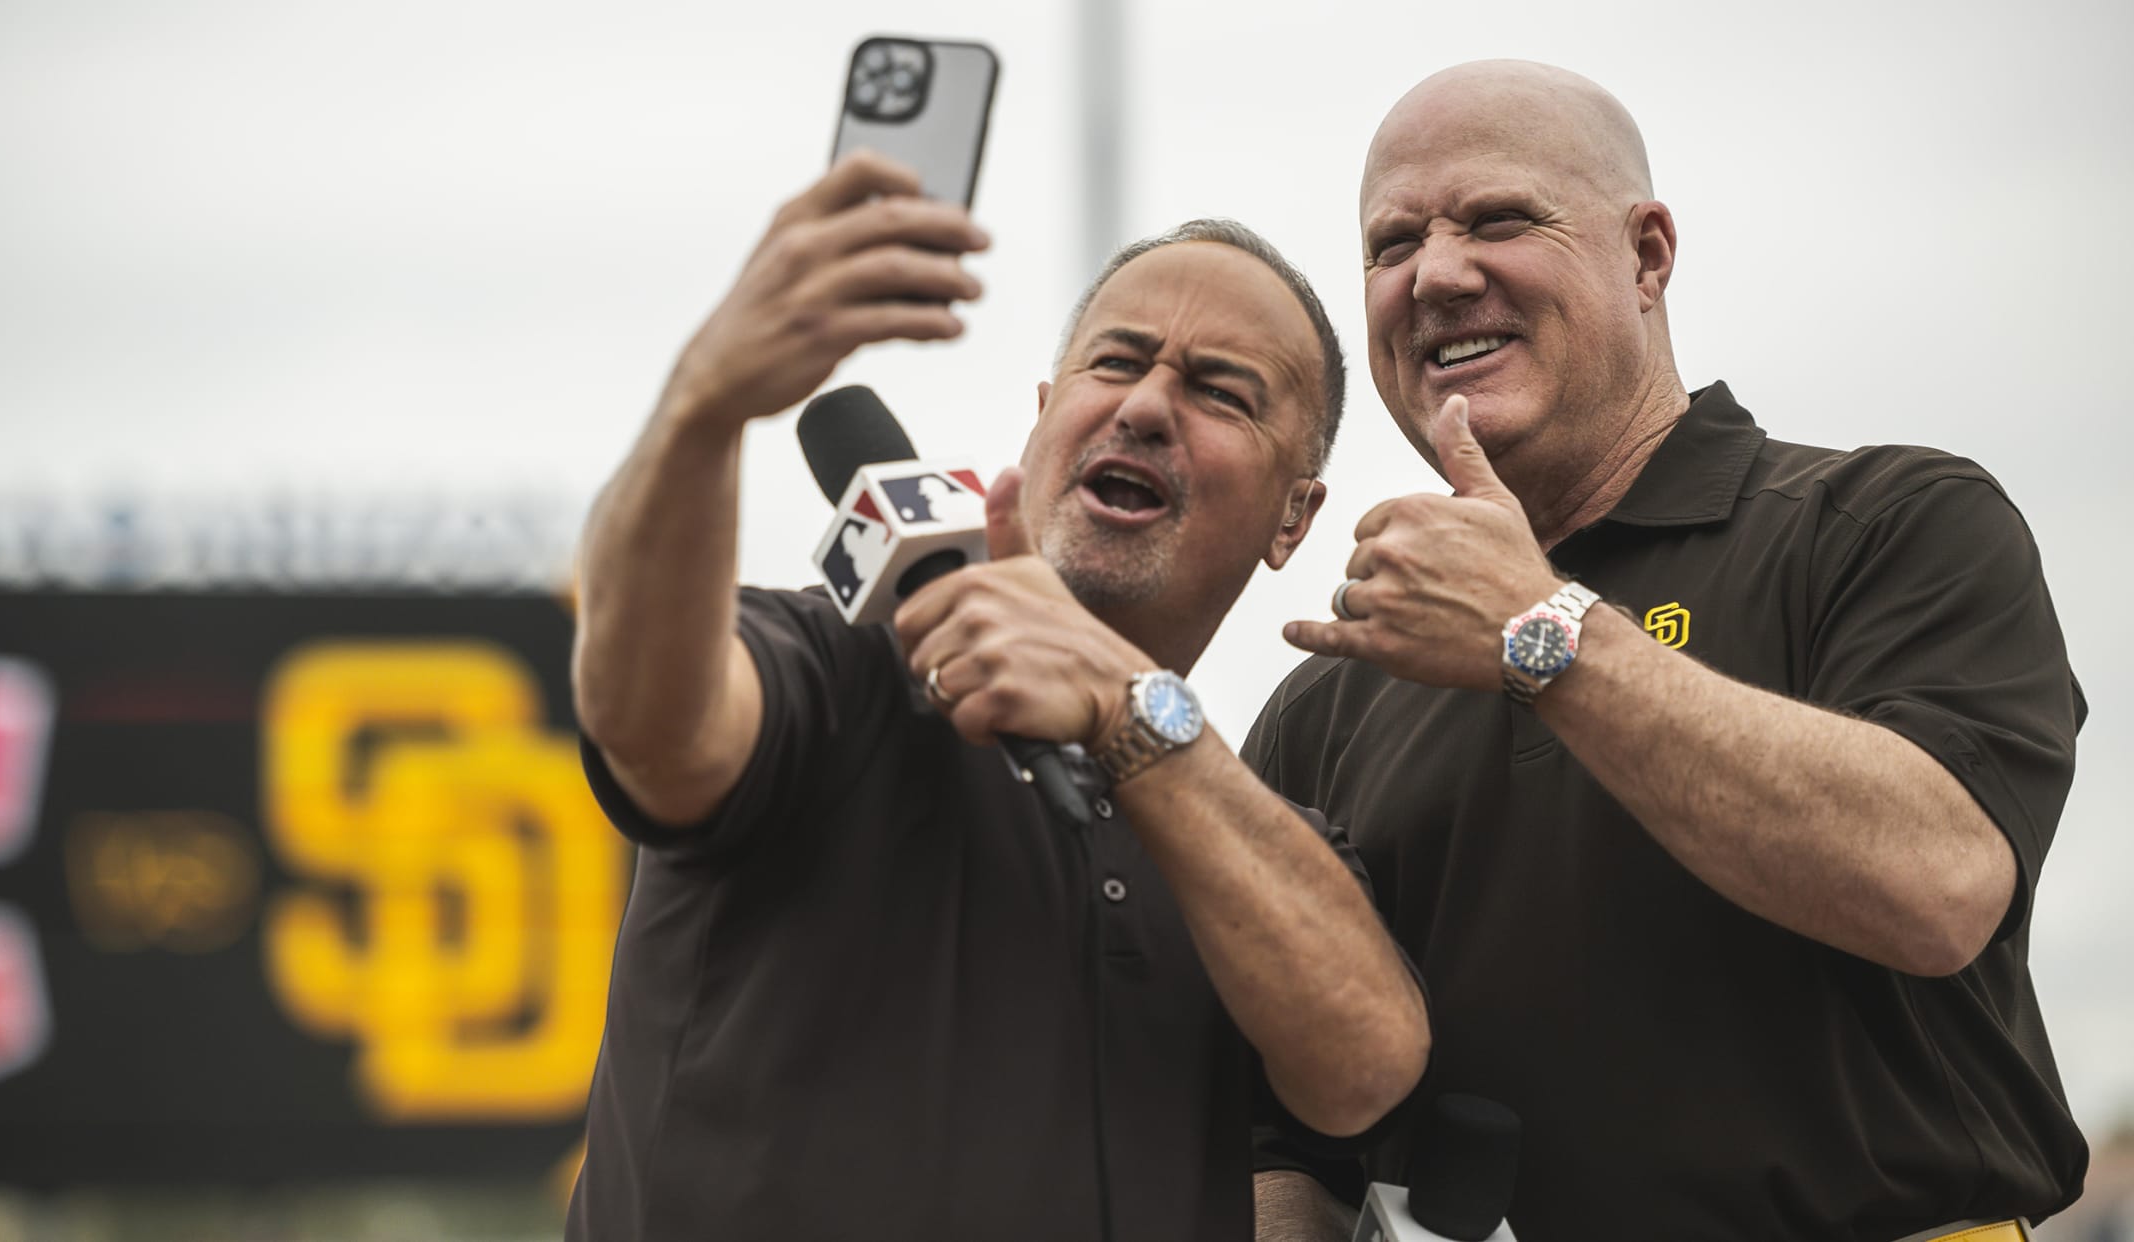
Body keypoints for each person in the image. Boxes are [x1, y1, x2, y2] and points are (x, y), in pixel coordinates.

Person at [1245, 61, 2086, 1241]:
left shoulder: (1890, 522)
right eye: (1392, 246)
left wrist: (1544, 631)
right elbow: (1288, 1138)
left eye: (1497, 219)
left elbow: (1938, 885)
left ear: (1646, 257)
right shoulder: (1325, 704)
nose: (1436, 274)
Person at [566, 149, 1429, 1242]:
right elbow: (649, 719)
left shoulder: (1259, 840)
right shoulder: (839, 673)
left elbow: (1367, 1066)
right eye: (1114, 364)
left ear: (1294, 519)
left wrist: (1127, 709)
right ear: (1043, 416)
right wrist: (702, 411)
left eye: (1221, 392)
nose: (1150, 405)